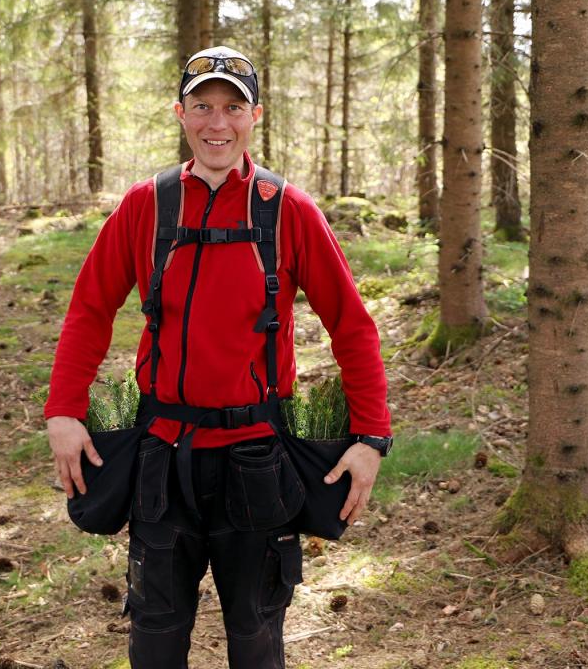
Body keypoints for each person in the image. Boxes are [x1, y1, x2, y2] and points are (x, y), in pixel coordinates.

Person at [44, 46, 392, 668]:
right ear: (181, 113)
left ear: (254, 116)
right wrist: (64, 411)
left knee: (258, 642)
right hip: (161, 459)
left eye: (232, 107)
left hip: (259, 459)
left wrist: (370, 437)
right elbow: (89, 311)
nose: (216, 123)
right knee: (154, 639)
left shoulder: (288, 210)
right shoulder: (145, 206)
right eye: (202, 106)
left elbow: (353, 326)